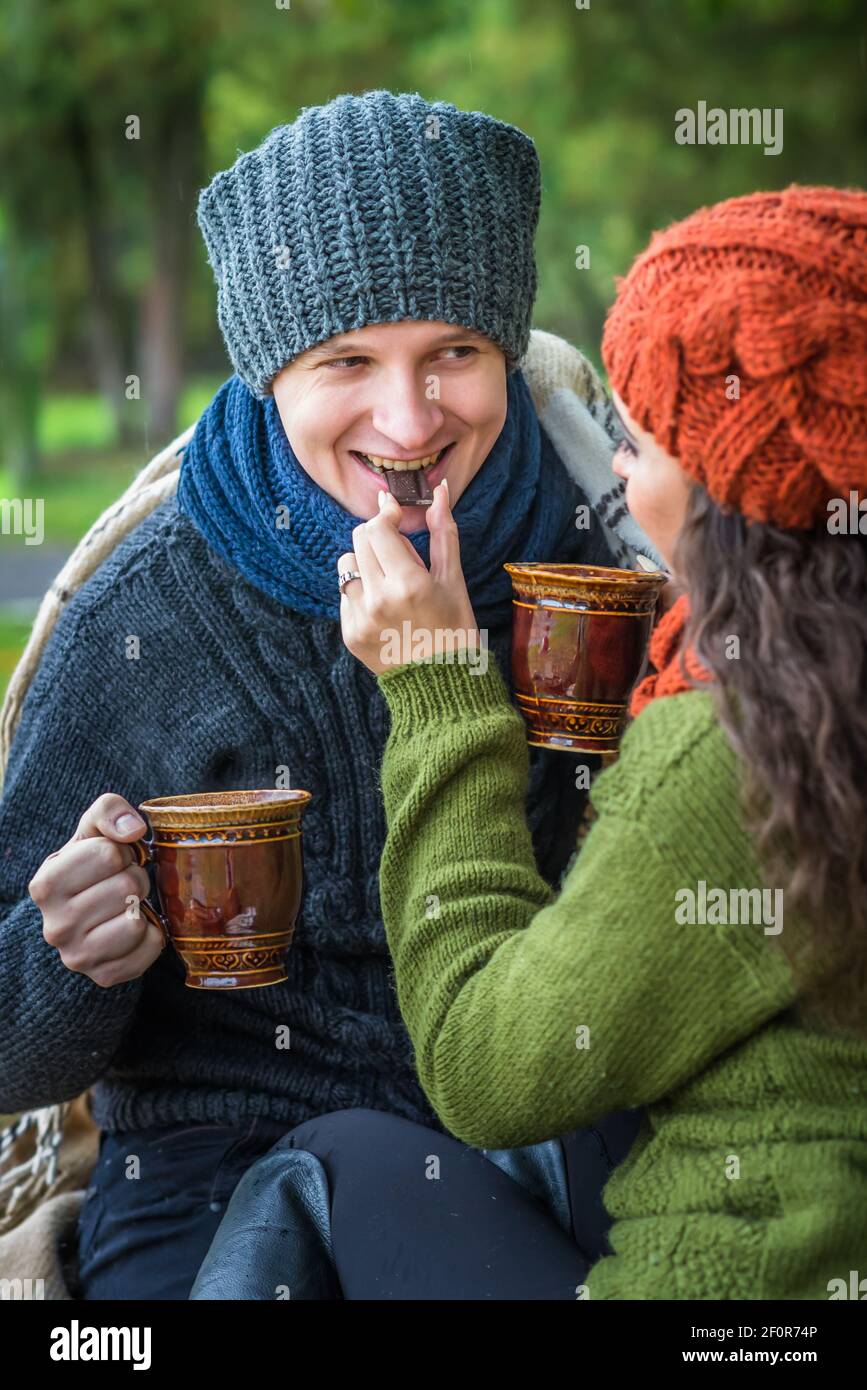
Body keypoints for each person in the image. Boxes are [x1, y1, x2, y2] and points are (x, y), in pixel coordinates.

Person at [0, 90, 657, 1299]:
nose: (408, 421)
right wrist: (65, 961)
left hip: (539, 1119)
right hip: (212, 1161)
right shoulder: (146, 614)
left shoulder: (601, 553)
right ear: (267, 373)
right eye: (345, 362)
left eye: (454, 352)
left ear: (506, 345)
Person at [199, 185, 867, 1300]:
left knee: (331, 1165)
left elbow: (484, 1065)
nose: (614, 469)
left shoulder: (741, 744)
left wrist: (439, 689)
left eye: (642, 443)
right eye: (347, 362)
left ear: (734, 496)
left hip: (746, 1279)